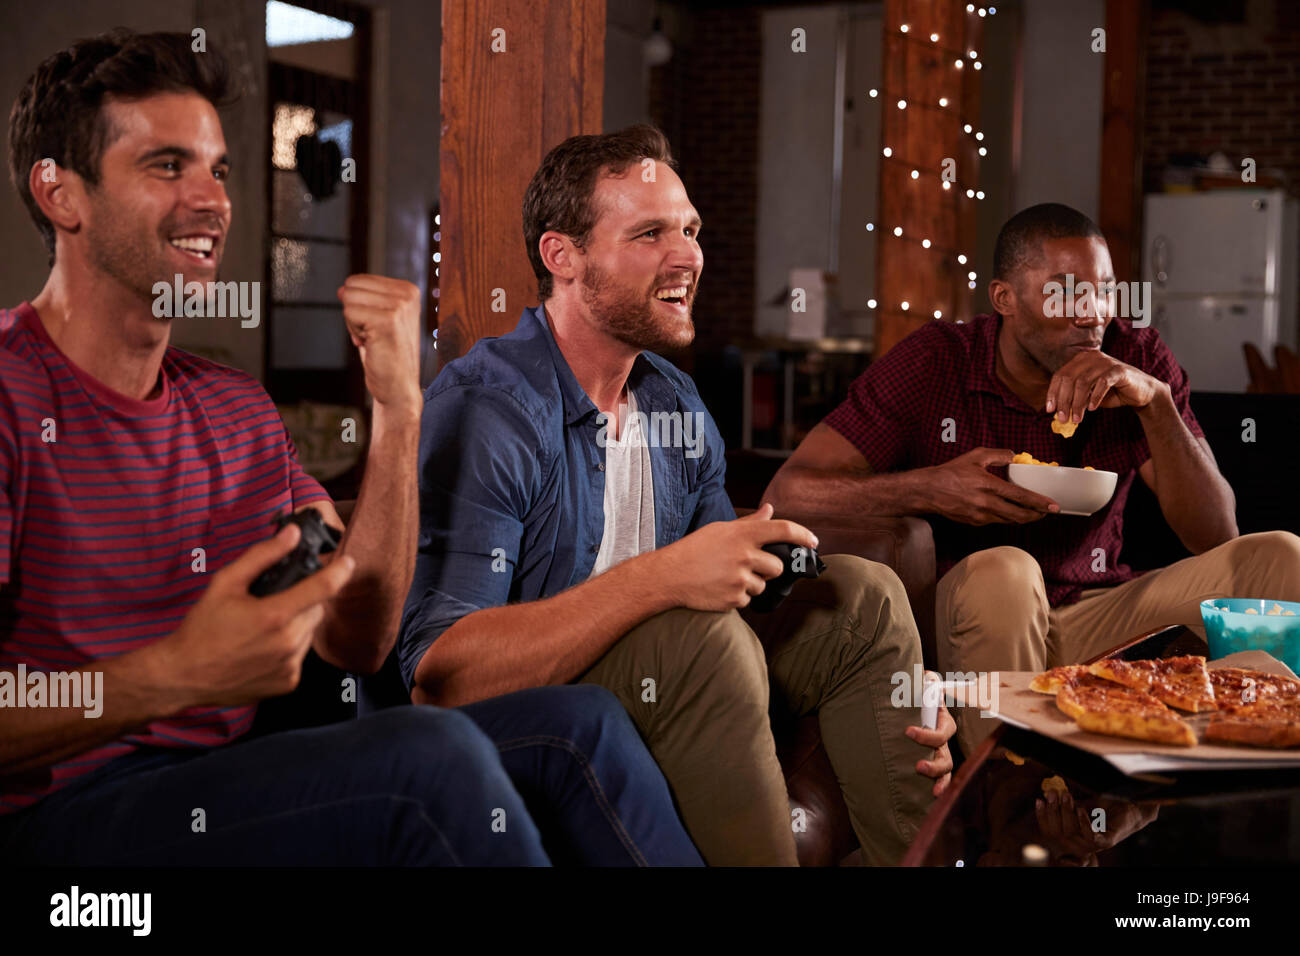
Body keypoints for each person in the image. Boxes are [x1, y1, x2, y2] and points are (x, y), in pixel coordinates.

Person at [0, 29, 701, 867]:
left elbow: (359, 643)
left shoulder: (231, 408)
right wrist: (179, 673)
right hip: (62, 811)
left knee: (578, 722)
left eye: (218, 170)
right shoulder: (11, 395)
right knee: (428, 766)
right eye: (166, 166)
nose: (213, 199)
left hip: (224, 775)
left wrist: (399, 409)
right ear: (61, 194)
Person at [397, 124, 955, 867]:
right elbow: (442, 678)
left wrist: (897, 692)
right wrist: (661, 578)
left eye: (690, 229)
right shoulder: (490, 410)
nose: (688, 254)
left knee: (864, 597)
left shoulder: (674, 402)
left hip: (673, 680)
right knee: (702, 640)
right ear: (562, 256)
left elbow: (719, 588)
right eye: (650, 232)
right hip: (536, 709)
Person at [764, 202, 1300, 756]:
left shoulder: (1134, 356)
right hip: (977, 612)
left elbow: (1216, 535)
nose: (1092, 313)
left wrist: (1156, 405)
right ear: (1005, 300)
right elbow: (789, 492)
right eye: (1065, 292)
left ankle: (1261, 774)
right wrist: (930, 487)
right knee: (1008, 570)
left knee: (1281, 554)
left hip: (1096, 612)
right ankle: (1011, 796)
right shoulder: (936, 361)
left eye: (1104, 290)